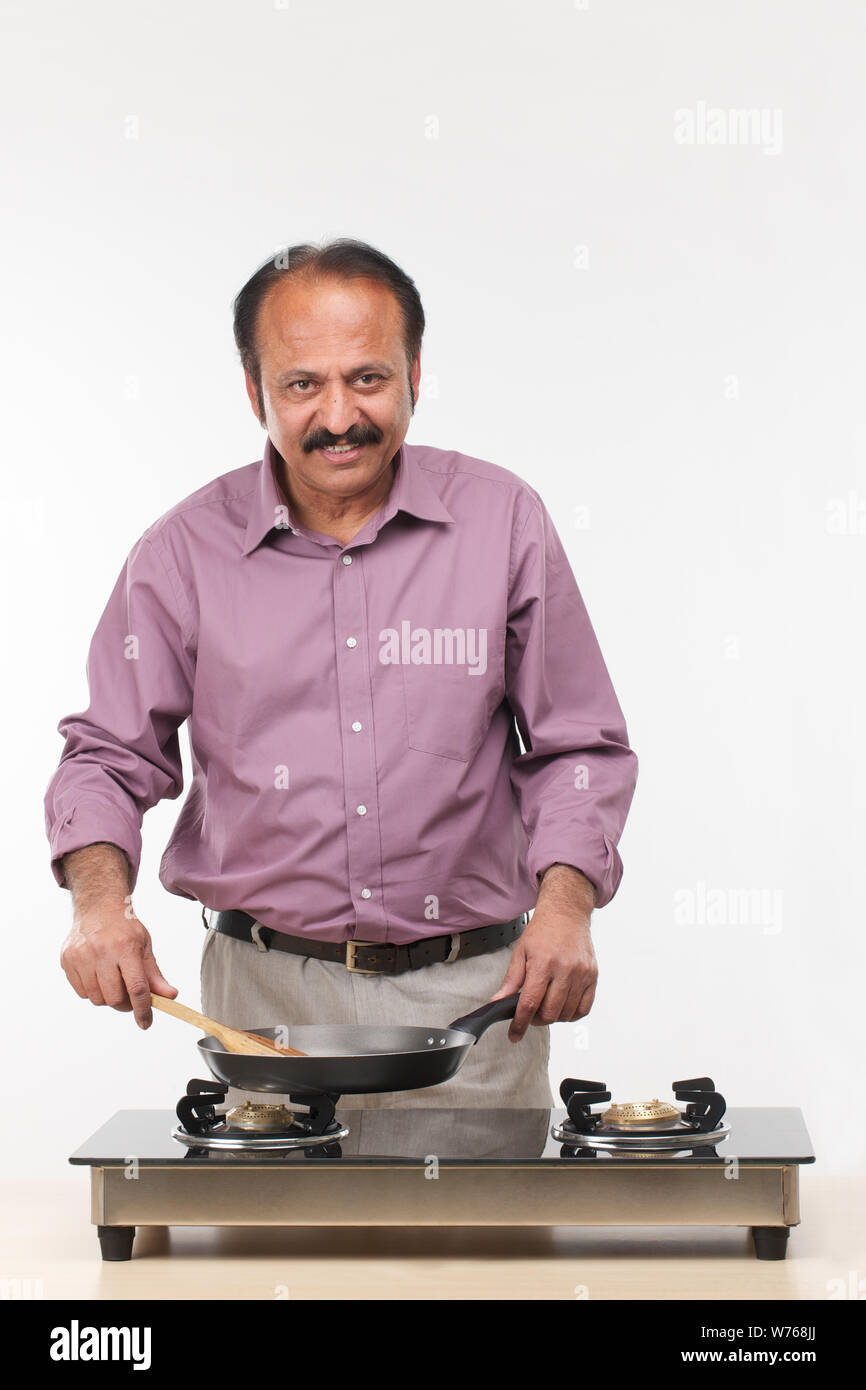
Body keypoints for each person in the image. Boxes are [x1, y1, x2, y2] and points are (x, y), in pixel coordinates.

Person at [44, 238, 638, 1109]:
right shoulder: (181, 555)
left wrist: (566, 910)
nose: (338, 416)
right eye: (301, 384)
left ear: (415, 376)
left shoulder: (504, 521)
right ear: (255, 392)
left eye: (367, 378)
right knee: (280, 1246)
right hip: (263, 1011)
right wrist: (98, 906)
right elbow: (105, 756)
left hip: (475, 1009)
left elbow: (577, 745)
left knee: (481, 1248)